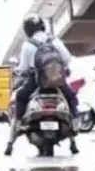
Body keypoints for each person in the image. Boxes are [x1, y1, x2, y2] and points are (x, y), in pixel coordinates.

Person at [5, 14, 80, 156]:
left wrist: (22, 73)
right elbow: (67, 59)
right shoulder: (55, 40)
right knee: (71, 97)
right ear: (42, 25)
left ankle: (12, 139)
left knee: (20, 97)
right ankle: (74, 134)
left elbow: (23, 69)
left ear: (27, 29)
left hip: (36, 81)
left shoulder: (28, 45)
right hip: (57, 80)